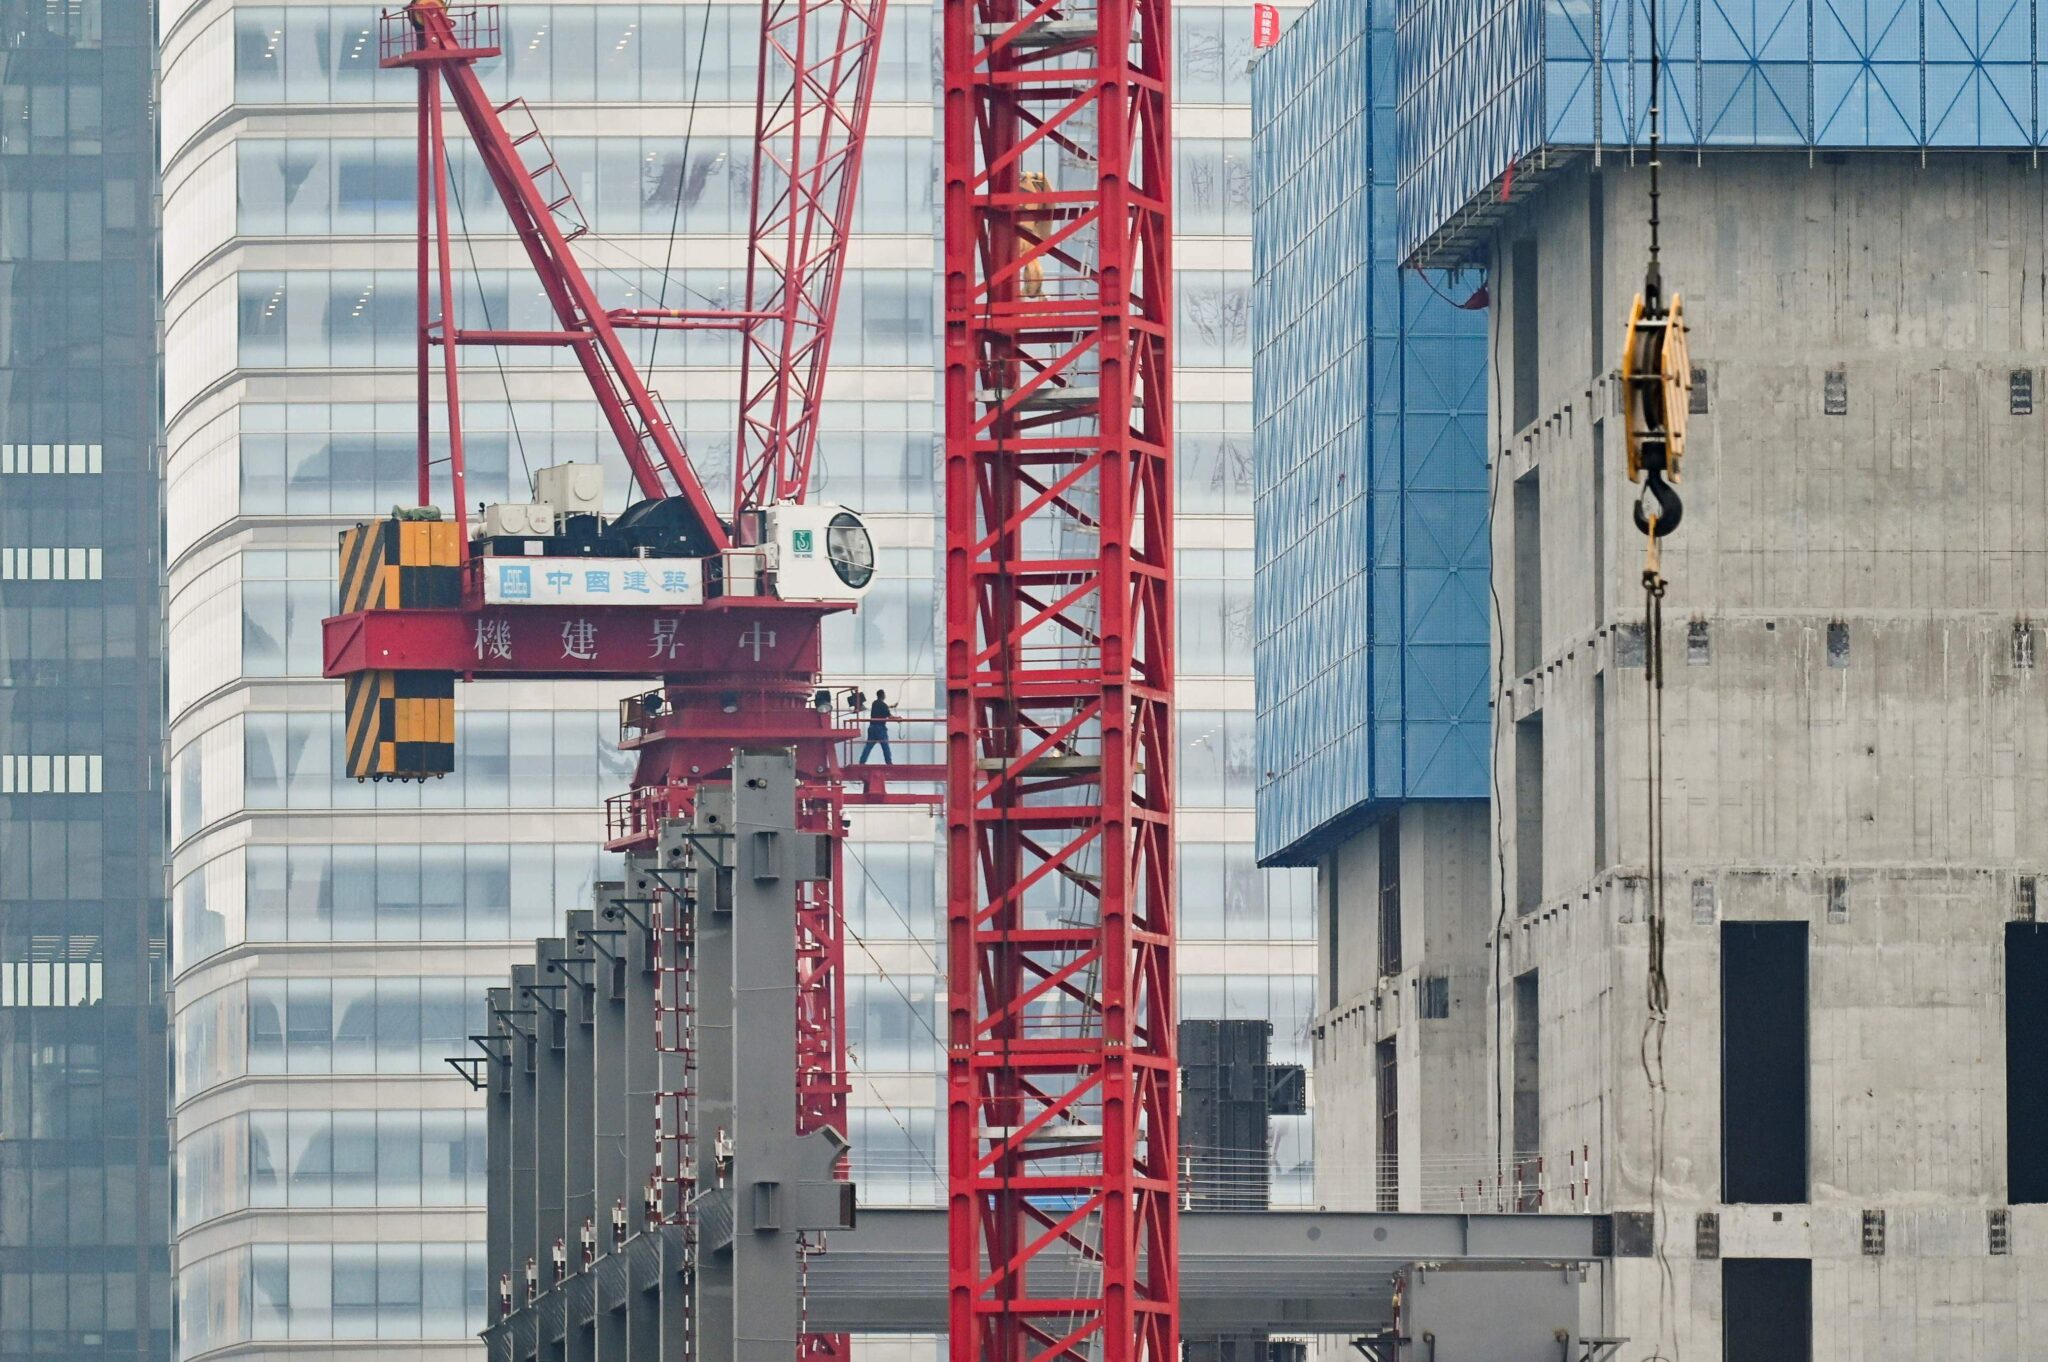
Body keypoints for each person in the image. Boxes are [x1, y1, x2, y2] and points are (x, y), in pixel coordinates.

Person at [859, 689, 893, 765]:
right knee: (885, 746)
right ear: (883, 695)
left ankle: (862, 762)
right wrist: (898, 719)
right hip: (880, 728)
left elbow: (881, 709)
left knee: (868, 746)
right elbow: (889, 716)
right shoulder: (883, 705)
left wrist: (890, 706)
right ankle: (889, 762)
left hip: (872, 727)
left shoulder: (874, 703)